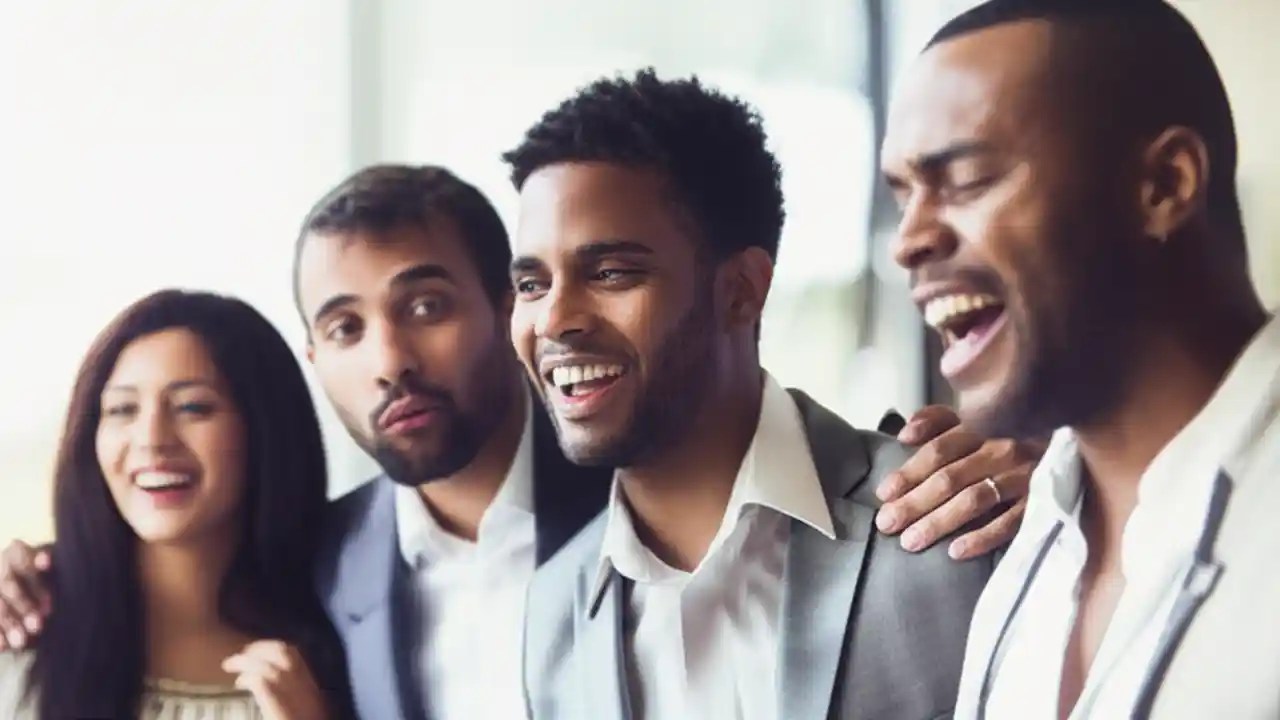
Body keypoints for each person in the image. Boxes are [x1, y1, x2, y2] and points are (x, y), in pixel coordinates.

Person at [1, 166, 1035, 719]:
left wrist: (1010, 470)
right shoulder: (314, 570)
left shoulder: (640, 500)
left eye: (428, 304)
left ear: (508, 304)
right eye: (345, 328)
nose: (389, 361)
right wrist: (29, 575)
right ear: (312, 359)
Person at [505, 68, 1039, 720]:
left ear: (741, 290)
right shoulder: (551, 612)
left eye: (611, 272)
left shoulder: (953, 511)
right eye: (531, 284)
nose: (555, 320)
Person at [881, 0, 1280, 717]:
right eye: (904, 196)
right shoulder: (1029, 537)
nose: (907, 242)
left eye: (966, 179)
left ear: (1164, 186)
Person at [0, 290, 355, 719]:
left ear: (265, 429)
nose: (151, 438)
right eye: (121, 410)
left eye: (193, 407)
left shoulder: (350, 647)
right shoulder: (20, 631)